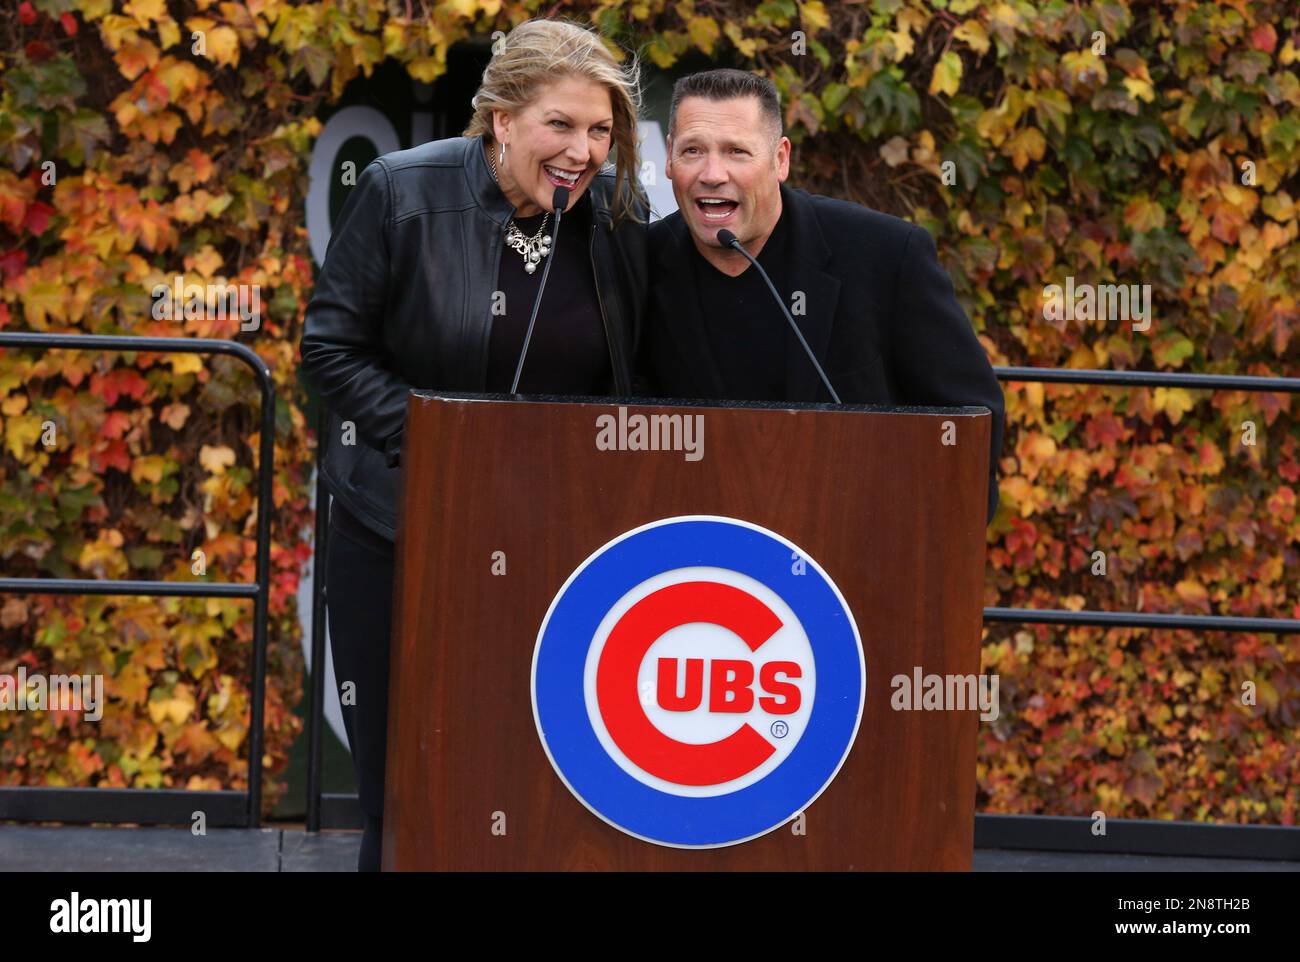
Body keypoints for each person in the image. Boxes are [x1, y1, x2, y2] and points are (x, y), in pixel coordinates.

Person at [299, 18, 646, 870]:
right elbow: (330, 349)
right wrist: (445, 447)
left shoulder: (613, 213)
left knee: (538, 780)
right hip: (402, 527)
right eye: (560, 125)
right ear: (500, 119)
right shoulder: (401, 192)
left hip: (561, 545)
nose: (583, 150)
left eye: (600, 129)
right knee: (411, 783)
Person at [639, 69, 1004, 525]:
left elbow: (971, 423)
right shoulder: (637, 265)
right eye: (693, 151)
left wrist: (922, 548)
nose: (713, 174)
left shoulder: (886, 255)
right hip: (700, 570)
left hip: (856, 558)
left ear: (780, 159)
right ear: (669, 159)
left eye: (737, 151)